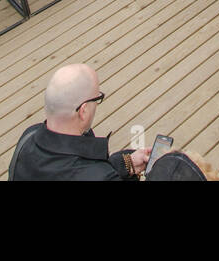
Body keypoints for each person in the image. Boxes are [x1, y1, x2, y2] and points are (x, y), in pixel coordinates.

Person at [9, 64, 150, 180]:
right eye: (97, 99)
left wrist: (125, 164)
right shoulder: (97, 175)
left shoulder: (28, 137)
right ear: (83, 111)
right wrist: (166, 166)